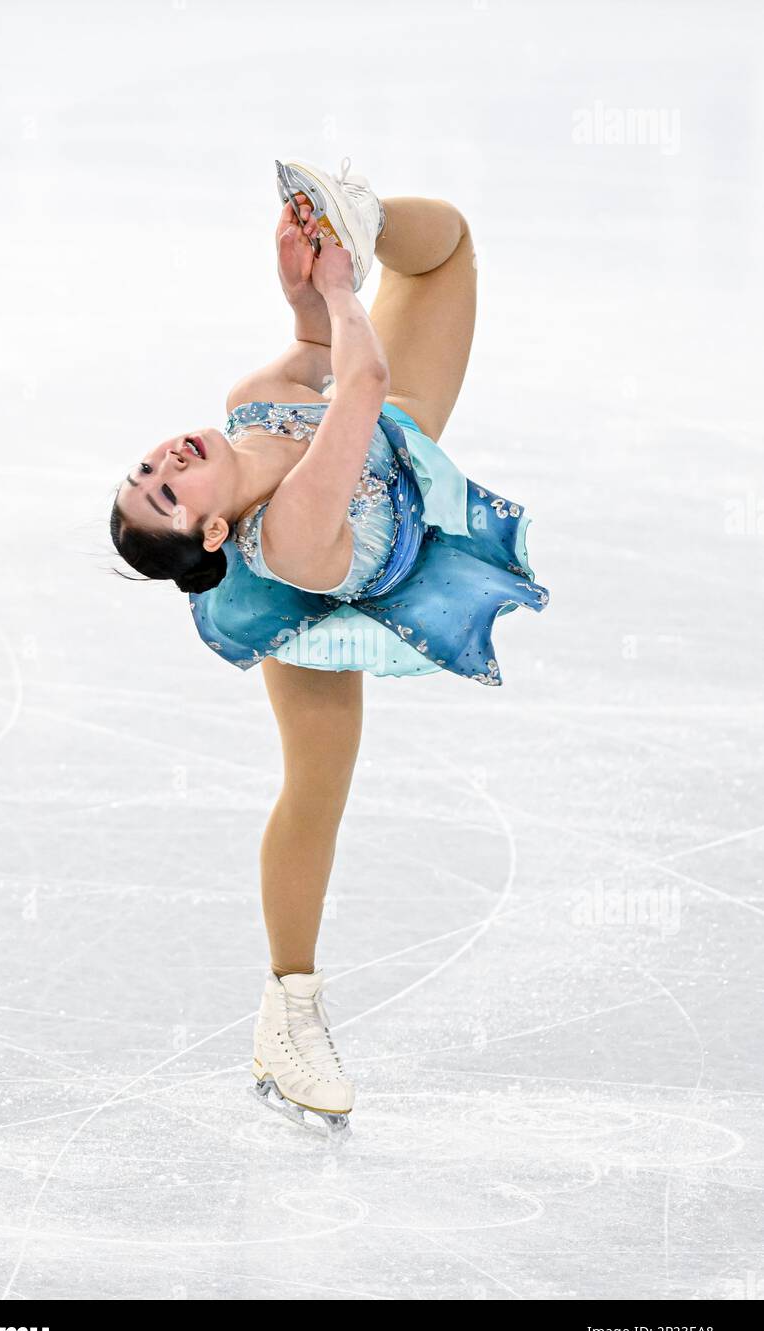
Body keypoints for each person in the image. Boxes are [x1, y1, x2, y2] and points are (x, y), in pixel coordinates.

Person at [110, 158, 548, 1136]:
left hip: (378, 453)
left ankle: (369, 210)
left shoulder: (249, 403)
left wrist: (303, 295)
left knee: (438, 250)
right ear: (213, 535)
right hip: (361, 527)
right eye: (167, 493)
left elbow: (316, 353)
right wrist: (341, 280)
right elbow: (363, 378)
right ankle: (289, 1012)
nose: (165, 461)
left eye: (146, 468)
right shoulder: (299, 527)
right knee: (314, 793)